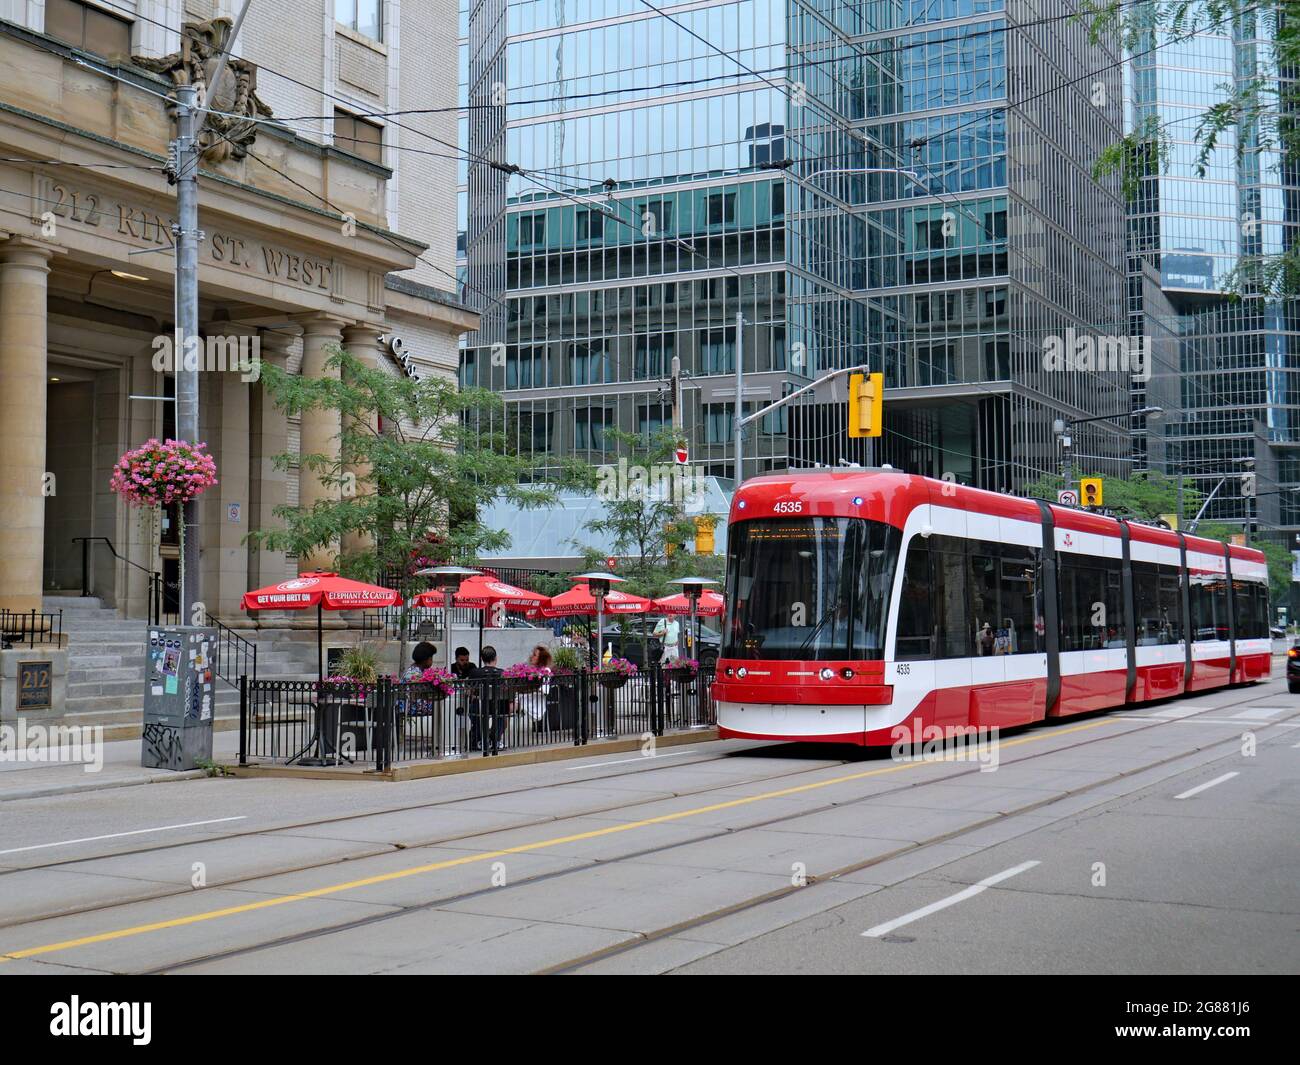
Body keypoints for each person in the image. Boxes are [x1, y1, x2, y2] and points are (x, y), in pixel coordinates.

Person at [469, 645, 508, 752]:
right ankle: (496, 739)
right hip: (497, 707)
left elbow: (471, 690)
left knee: (474, 710)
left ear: (482, 659)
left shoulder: (474, 672)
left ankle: (479, 740)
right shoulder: (502, 673)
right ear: (496, 658)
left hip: (480, 707)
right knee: (501, 712)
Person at [511, 644, 552, 730]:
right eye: (532, 654)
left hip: (535, 701)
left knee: (508, 708)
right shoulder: (527, 669)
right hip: (522, 698)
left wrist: (529, 689)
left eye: (534, 655)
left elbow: (545, 690)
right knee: (504, 709)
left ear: (541, 659)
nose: (531, 656)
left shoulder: (546, 671)